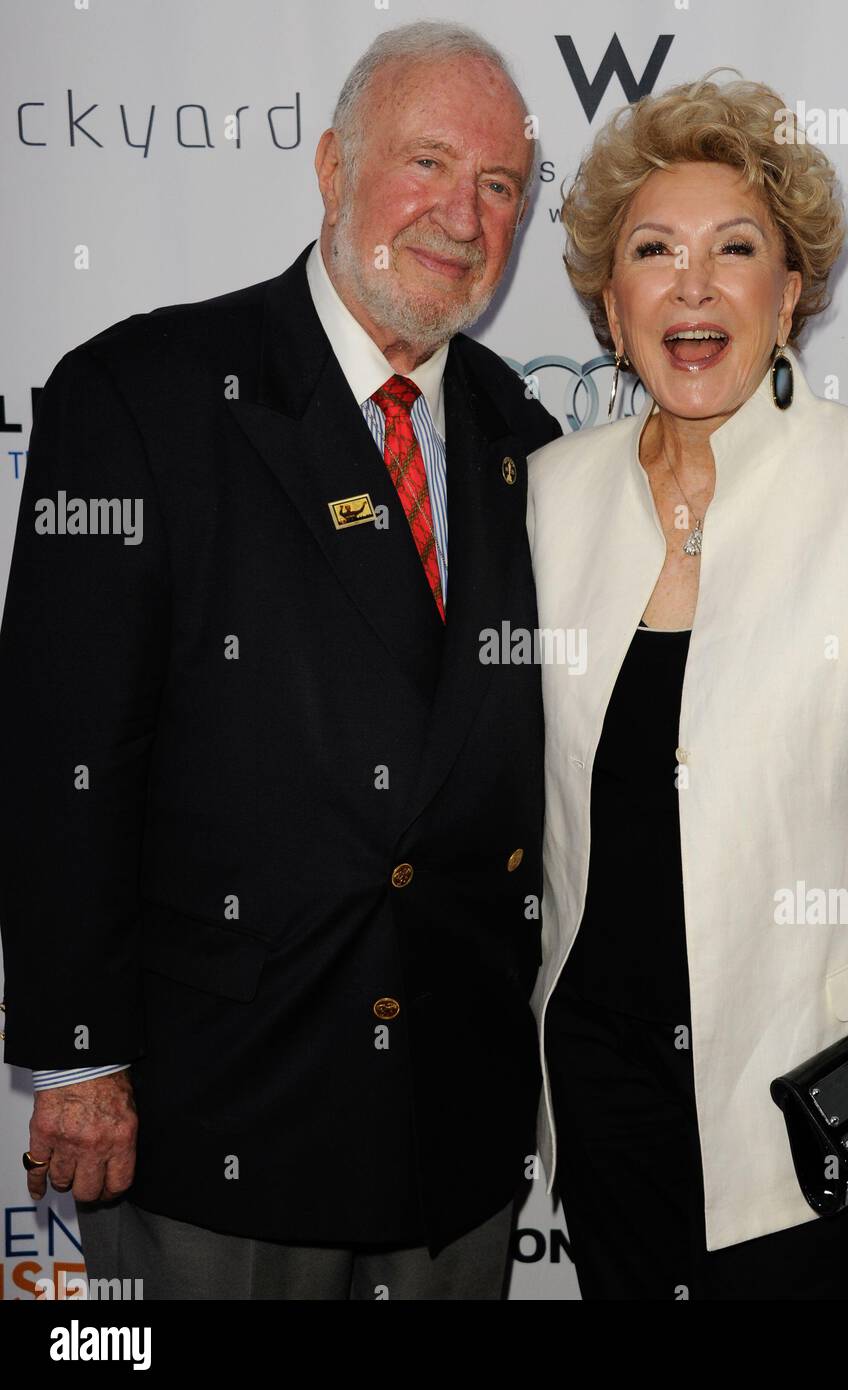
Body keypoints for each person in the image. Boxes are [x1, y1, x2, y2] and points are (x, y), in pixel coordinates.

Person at [0, 20, 560, 1300]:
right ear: (330, 168)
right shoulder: (139, 394)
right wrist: (82, 1062)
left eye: (499, 186)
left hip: (457, 1123)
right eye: (427, 163)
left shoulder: (518, 435)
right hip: (221, 1107)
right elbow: (61, 750)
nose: (463, 216)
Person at [525, 71, 848, 1301]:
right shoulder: (552, 494)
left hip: (806, 1069)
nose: (694, 284)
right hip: (600, 1066)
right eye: (653, 252)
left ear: (791, 291)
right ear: (611, 306)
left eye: (736, 249)